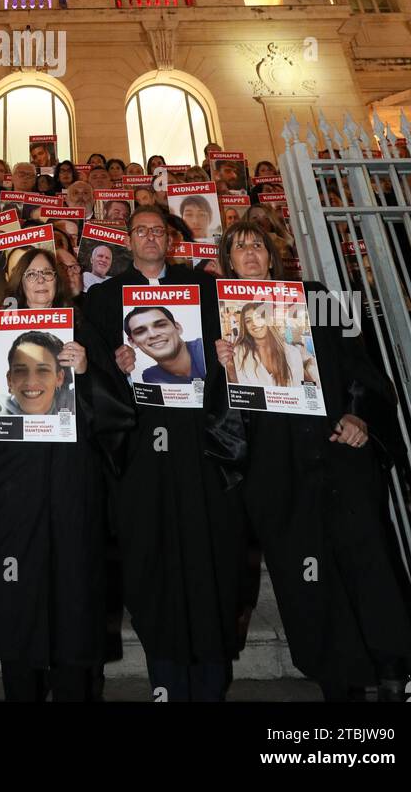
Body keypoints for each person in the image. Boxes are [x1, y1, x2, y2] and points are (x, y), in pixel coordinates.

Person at [212, 217, 411, 701]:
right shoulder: (220, 321)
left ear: (271, 255)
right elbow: (219, 424)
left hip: (336, 452)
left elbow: (360, 367)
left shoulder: (315, 297)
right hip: (275, 470)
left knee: (368, 560)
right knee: (305, 576)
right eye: (239, 249)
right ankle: (337, 681)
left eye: (257, 246)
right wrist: (224, 371)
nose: (250, 255)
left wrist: (359, 418)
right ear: (227, 264)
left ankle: (393, 670)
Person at [0, 249, 130, 703]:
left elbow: (116, 417)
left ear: (60, 282)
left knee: (73, 592)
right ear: (18, 285)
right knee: (15, 594)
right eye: (32, 275)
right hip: (11, 484)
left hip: (71, 482)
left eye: (48, 274)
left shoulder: (84, 332)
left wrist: (86, 372)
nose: (42, 281)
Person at [83, 204, 246, 702]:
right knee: (149, 557)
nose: (150, 238)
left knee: (210, 557)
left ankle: (212, 681)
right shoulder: (102, 300)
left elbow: (238, 356)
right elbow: (89, 379)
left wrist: (223, 356)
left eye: (158, 231)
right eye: (141, 231)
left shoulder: (206, 289)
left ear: (170, 240)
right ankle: (166, 682)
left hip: (202, 444)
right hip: (141, 450)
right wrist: (114, 365)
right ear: (127, 240)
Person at [221, 301, 318, 388]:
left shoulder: (293, 353)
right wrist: (229, 367)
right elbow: (243, 393)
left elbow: (298, 390)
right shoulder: (239, 352)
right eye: (248, 321)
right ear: (245, 327)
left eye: (258, 317)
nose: (254, 323)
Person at [0, 330, 75, 417]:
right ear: (9, 380)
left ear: (59, 378)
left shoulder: (74, 405)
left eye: (43, 370)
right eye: (20, 371)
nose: (31, 382)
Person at [123, 303, 206, 385]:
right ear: (132, 342)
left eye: (161, 325)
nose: (153, 334)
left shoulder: (204, 349)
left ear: (177, 328)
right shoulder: (150, 377)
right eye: (140, 331)